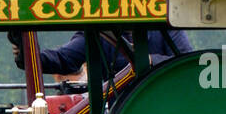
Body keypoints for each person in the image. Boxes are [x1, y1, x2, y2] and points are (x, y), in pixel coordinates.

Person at [10, 27, 192, 76]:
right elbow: (63, 59)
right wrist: (27, 54)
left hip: (168, 108)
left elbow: (187, 64)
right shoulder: (99, 34)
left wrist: (151, 60)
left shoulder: (166, 29)